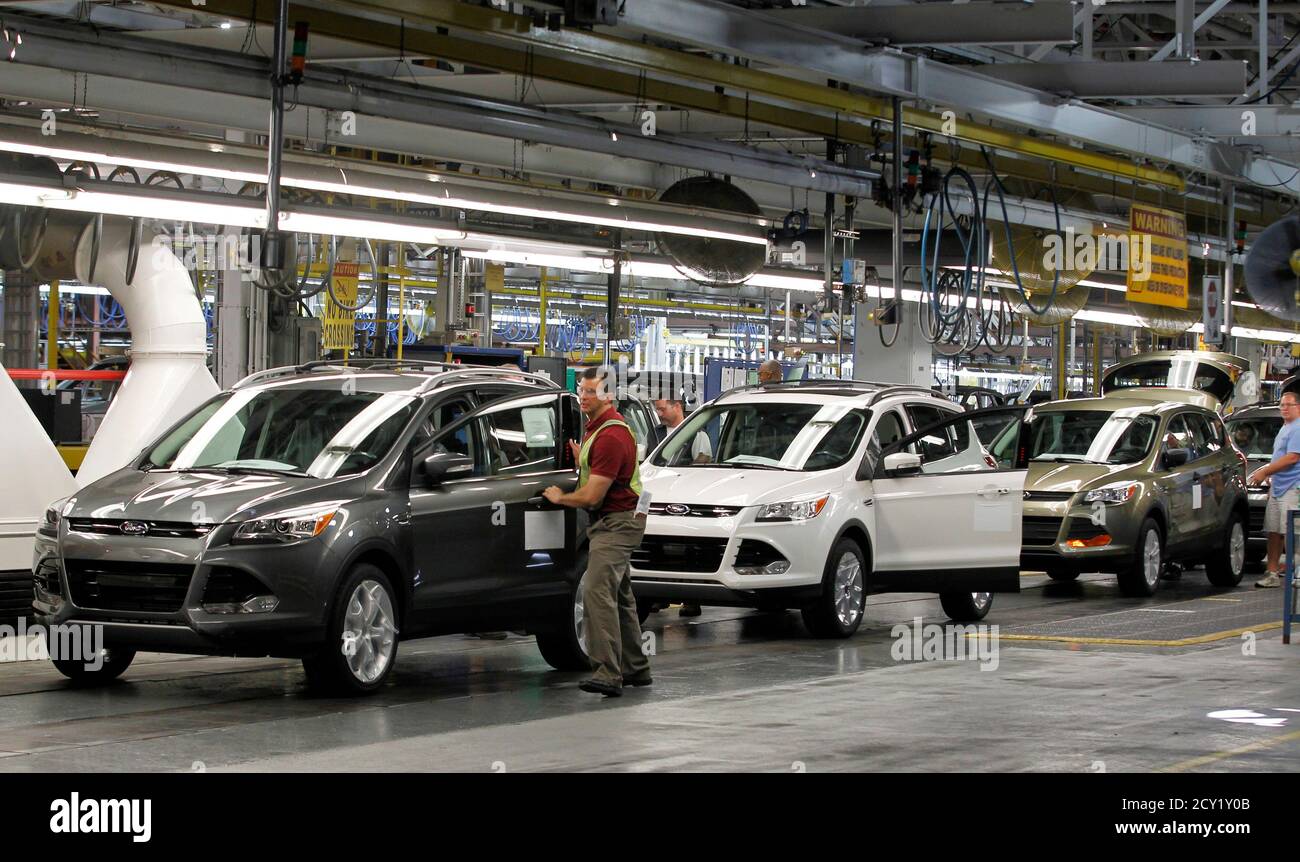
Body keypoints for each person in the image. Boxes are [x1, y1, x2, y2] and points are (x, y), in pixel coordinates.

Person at [543, 366, 652, 696]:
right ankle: (636, 667)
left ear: (607, 395)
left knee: (595, 590)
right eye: (581, 389)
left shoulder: (611, 436)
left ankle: (608, 672)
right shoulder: (599, 430)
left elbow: (592, 496)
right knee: (619, 595)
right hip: (617, 519)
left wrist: (561, 497)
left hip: (616, 523)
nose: (583, 396)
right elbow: (598, 473)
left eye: (590, 391)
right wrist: (581, 463)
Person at [651, 397, 710, 618]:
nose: (659, 414)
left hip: (687, 499)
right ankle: (658, 596)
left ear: (677, 407)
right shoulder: (655, 432)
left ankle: (692, 600)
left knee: (687, 549)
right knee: (659, 548)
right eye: (656, 409)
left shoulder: (696, 433)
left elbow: (703, 462)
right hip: (659, 497)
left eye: (662, 409)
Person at [1248, 391, 1300, 588]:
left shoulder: (1298, 428)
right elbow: (1279, 456)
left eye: (1289, 405)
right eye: (1282, 405)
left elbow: (1293, 457)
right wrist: (1272, 477)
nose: (1284, 408)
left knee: (1291, 532)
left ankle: (1297, 574)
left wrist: (1265, 472)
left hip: (1293, 488)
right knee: (1273, 531)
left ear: (1299, 407)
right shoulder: (1285, 428)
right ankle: (1271, 573)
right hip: (1279, 487)